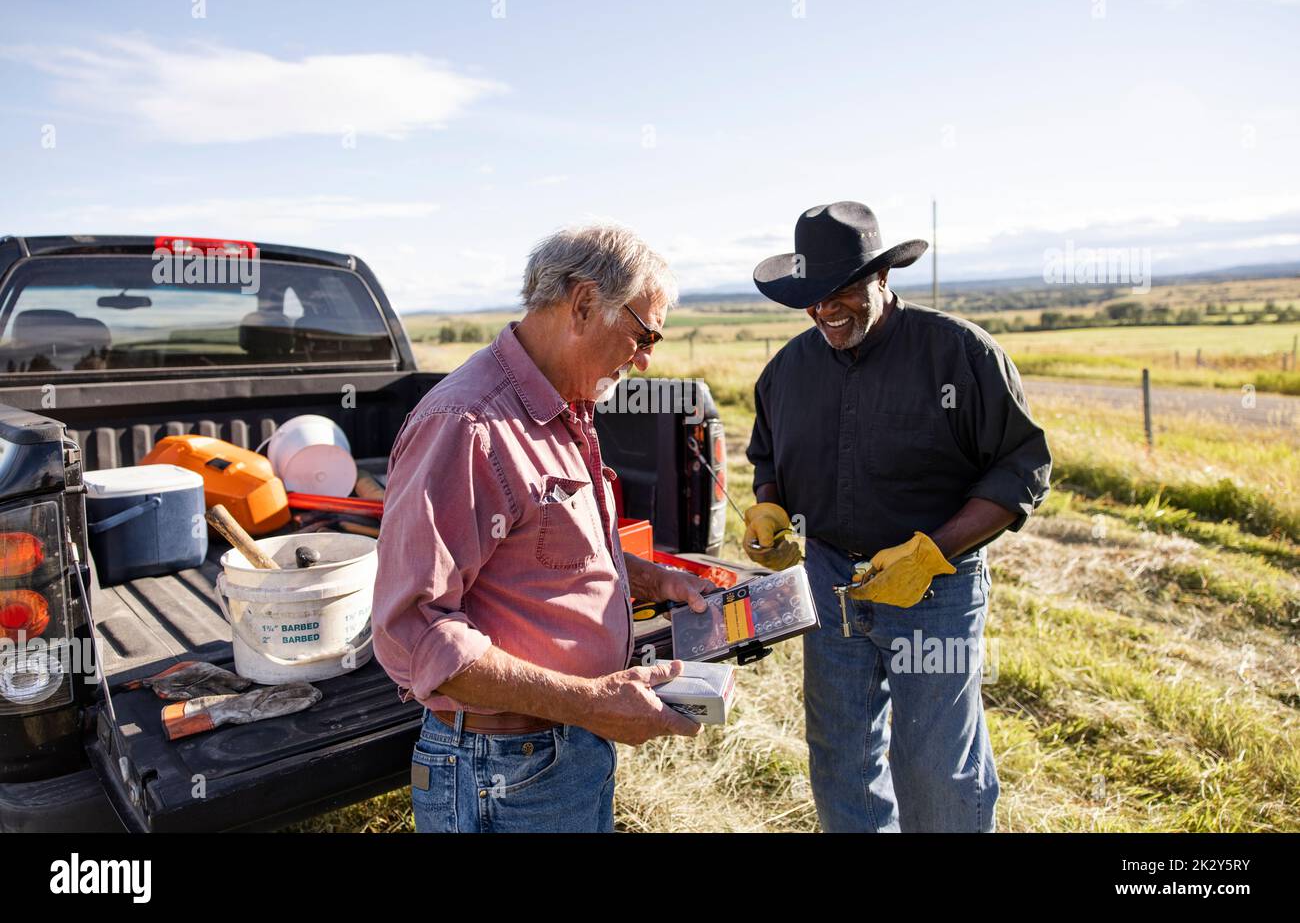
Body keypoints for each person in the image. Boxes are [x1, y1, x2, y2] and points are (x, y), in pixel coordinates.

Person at [373, 223, 713, 833]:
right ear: (583, 304)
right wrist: (591, 703)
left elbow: (541, 548)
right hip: (502, 770)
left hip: (557, 750)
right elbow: (416, 634)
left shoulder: (564, 403)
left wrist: (653, 581)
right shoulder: (467, 424)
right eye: (644, 334)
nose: (644, 358)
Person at [743, 201, 1052, 832]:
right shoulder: (785, 373)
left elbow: (1021, 469)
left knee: (936, 767)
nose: (826, 310)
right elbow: (768, 456)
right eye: (813, 298)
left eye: (842, 292)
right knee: (840, 760)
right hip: (831, 588)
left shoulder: (960, 354)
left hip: (936, 589)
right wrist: (771, 508)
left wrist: (929, 553)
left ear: (882, 277)